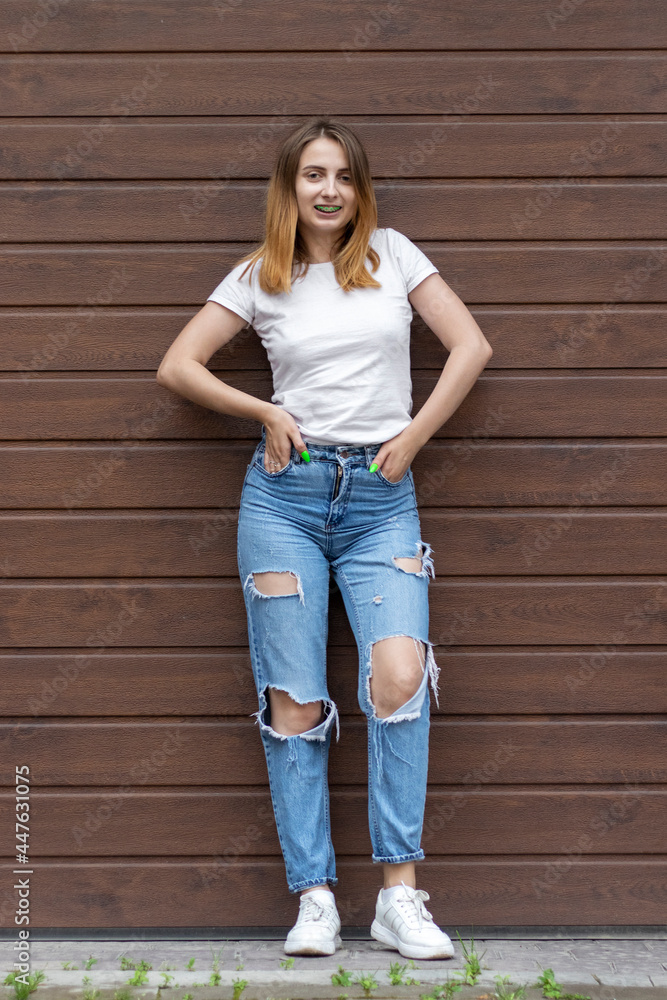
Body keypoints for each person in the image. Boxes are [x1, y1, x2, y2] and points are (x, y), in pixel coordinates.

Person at [156, 116, 493, 960]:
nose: (329, 190)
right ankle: (313, 896)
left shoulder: (393, 256)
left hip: (382, 496)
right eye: (313, 175)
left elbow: (469, 346)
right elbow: (178, 366)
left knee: (399, 673)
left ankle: (398, 897)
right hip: (284, 499)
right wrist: (263, 410)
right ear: (290, 186)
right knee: (295, 700)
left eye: (342, 175)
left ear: (360, 186)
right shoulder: (259, 275)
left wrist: (411, 438)